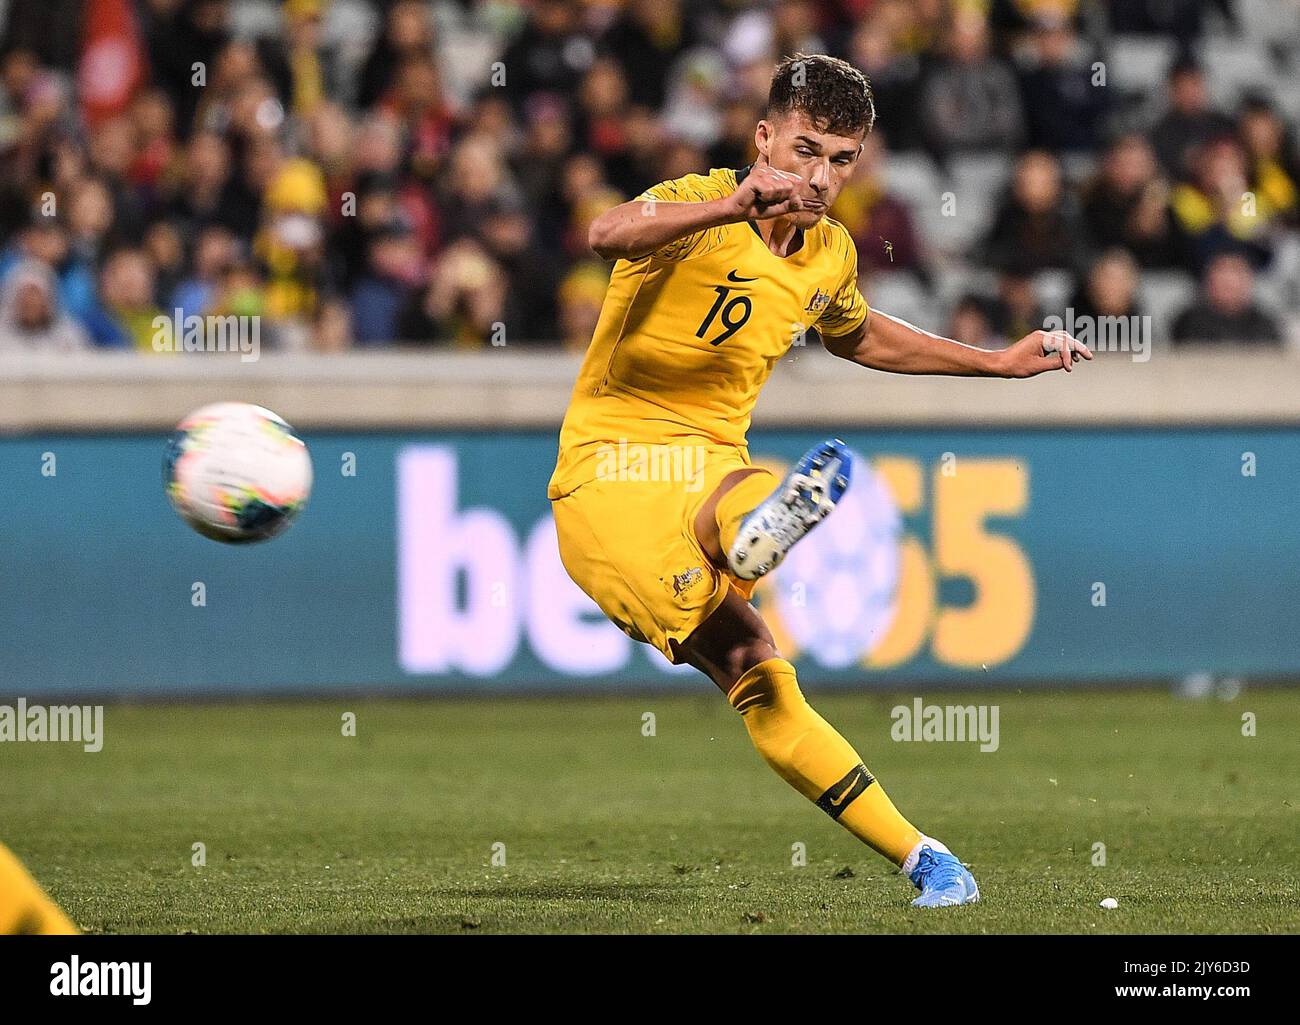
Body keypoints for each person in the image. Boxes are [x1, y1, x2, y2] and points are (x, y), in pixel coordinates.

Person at [553, 54, 1089, 909]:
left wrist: (995, 363)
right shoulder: (695, 202)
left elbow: (858, 333)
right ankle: (754, 537)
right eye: (804, 149)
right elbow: (605, 233)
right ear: (762, 137)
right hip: (609, 475)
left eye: (842, 160)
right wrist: (733, 202)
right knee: (745, 518)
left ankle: (927, 859)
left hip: (710, 466)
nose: (820, 175)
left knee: (759, 667)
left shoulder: (827, 253)